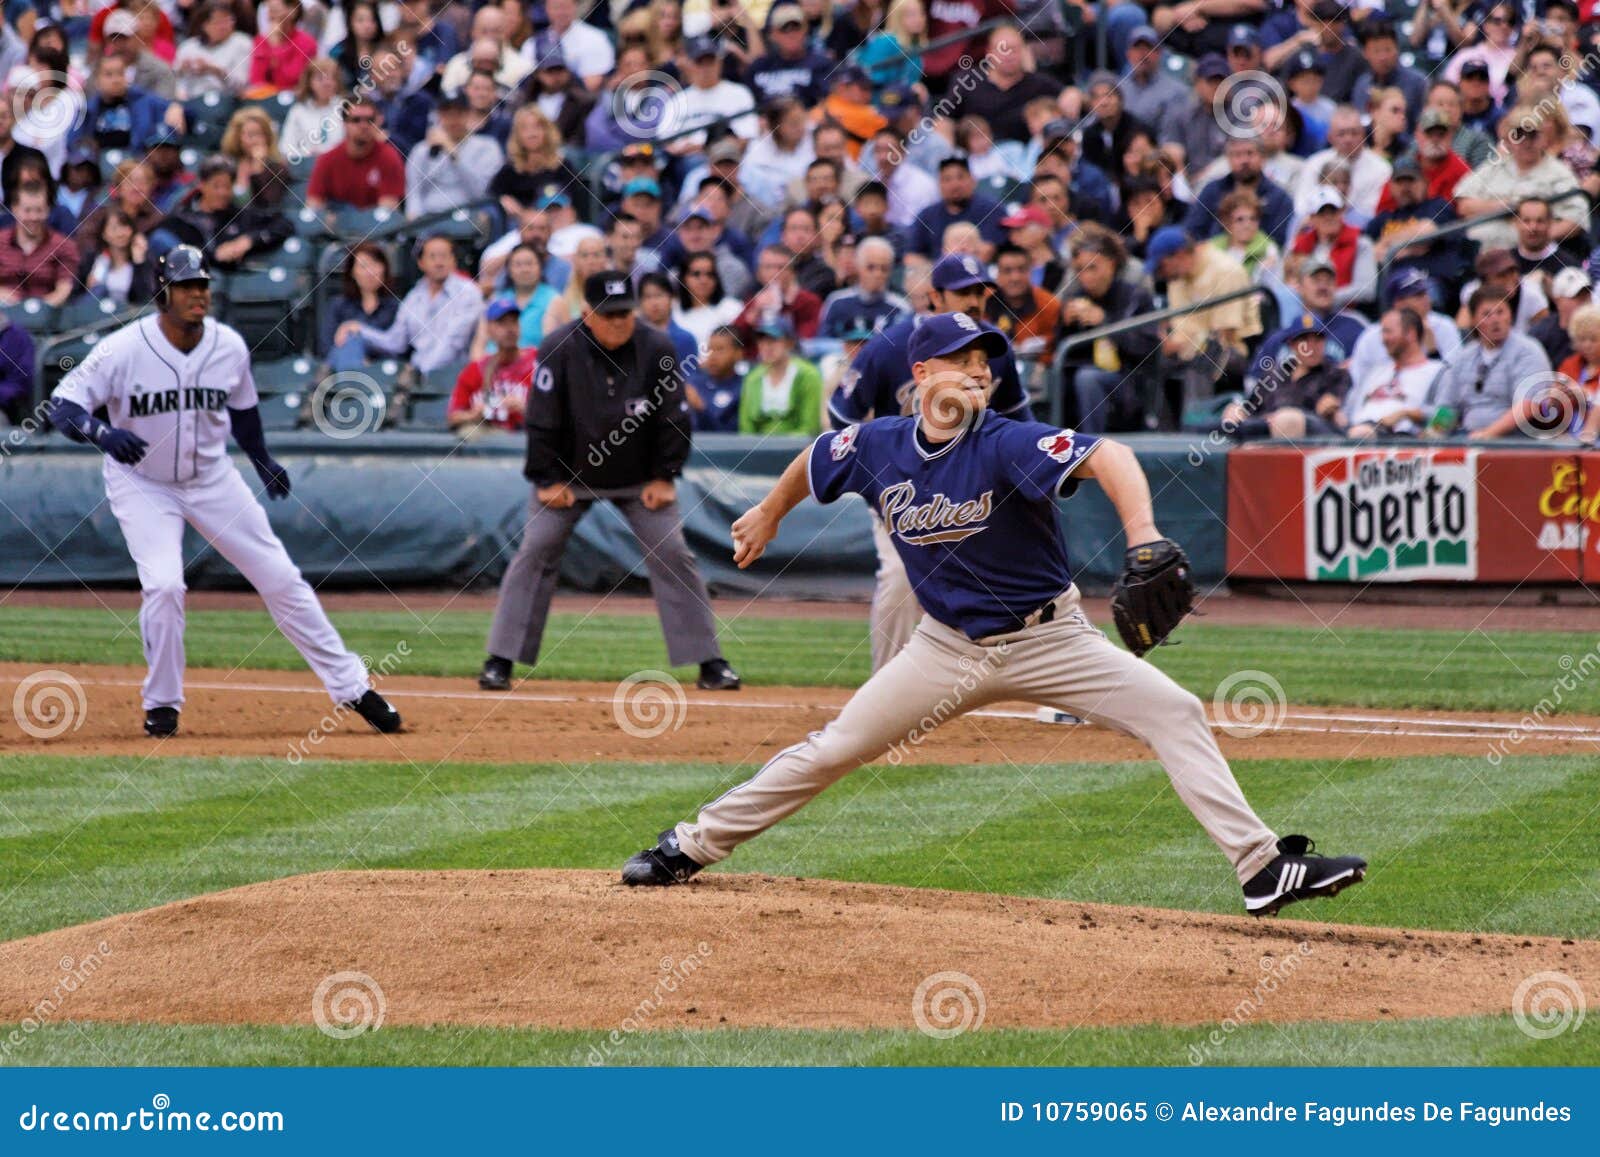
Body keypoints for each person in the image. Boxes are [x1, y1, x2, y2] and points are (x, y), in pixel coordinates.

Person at [620, 311, 1369, 920]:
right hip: (944, 650)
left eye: (986, 359)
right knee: (834, 748)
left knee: (1174, 710)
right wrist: (768, 511)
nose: (979, 369)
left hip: (1053, 641)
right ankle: (690, 844)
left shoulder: (1008, 442)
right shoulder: (878, 445)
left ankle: (1263, 868)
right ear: (920, 374)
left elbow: (1108, 456)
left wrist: (1143, 534)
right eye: (960, 357)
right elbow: (819, 456)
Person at [45, 245, 401, 740]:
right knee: (165, 586)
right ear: (163, 293)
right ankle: (163, 704)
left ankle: (353, 688)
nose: (198, 295)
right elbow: (62, 406)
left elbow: (245, 412)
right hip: (143, 483)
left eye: (203, 285)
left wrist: (262, 461)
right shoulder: (122, 348)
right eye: (188, 286)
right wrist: (103, 434)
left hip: (212, 477)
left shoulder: (228, 345)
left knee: (281, 577)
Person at [479, 270, 740, 694]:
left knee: (673, 551)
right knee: (536, 549)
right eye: (609, 315)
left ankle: (711, 662)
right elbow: (541, 419)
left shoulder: (657, 347)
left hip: (640, 479)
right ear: (587, 314)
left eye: (625, 313)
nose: (619, 322)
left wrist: (665, 476)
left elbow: (673, 418)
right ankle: (500, 660)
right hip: (567, 475)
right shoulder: (558, 347)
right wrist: (546, 479)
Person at [828, 254, 1035, 670]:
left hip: (979, 483)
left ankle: (1058, 683)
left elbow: (1019, 419)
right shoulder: (890, 346)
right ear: (935, 296)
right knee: (900, 577)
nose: (976, 301)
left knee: (1031, 569)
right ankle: (882, 689)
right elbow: (843, 415)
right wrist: (879, 473)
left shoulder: (995, 346)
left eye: (981, 291)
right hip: (906, 482)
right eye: (964, 292)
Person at [1057, 226, 1158, 433]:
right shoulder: (1074, 297)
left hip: (1129, 381)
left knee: (1087, 378)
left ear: (1111, 265)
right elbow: (1063, 354)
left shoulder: (1135, 296)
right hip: (1082, 379)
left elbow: (1146, 349)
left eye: (1093, 268)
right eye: (1080, 270)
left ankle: (1093, 448)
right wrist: (1065, 326)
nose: (1086, 277)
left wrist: (1105, 322)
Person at [331, 234, 481, 372]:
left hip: (453, 373)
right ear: (421, 263)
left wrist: (420, 373)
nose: (438, 262)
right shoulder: (414, 296)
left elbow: (453, 344)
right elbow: (396, 342)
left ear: (454, 261)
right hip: (417, 376)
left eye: (444, 256)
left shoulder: (468, 292)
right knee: (351, 343)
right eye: (432, 257)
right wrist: (360, 329)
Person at [1454, 108, 1589, 251]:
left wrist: (1537, 237)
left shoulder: (1560, 174)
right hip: (1485, 253)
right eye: (1519, 135)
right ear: (1508, 140)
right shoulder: (1494, 167)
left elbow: (1576, 221)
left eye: (1532, 135)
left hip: (1533, 255)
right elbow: (1463, 204)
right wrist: (1501, 206)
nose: (1526, 142)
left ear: (1543, 139)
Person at [1428, 290, 1552, 437]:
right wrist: (1431, 439)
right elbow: (1448, 407)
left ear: (1510, 316)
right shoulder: (1463, 357)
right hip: (1467, 436)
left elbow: (1527, 405)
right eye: (1487, 314)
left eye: (1500, 312)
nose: (1495, 320)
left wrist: (1488, 434)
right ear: (1474, 320)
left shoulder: (1528, 350)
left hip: (1516, 440)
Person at [1220, 314, 1351, 439]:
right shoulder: (1275, 373)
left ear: (1324, 342)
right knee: (1233, 411)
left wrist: (1330, 407)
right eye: (1304, 340)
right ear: (1292, 344)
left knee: (1287, 419)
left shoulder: (1334, 374)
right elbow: (1250, 408)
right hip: (1263, 428)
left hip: (1310, 434)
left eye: (1317, 340)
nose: (1311, 347)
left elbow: (1331, 407)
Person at [159, 154, 294, 269]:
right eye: (216, 186)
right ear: (201, 184)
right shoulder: (181, 219)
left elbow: (283, 224)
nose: (222, 193)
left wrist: (248, 240)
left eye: (227, 186)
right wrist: (215, 255)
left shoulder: (240, 215)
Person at [1347, 268, 1461, 388]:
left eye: (1425, 293)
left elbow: (1452, 383)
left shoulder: (1444, 326)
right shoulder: (1372, 336)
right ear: (1398, 303)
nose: (1426, 299)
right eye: (1418, 295)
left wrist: (1433, 352)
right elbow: (1358, 383)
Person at [1344, 307, 1444, 439]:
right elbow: (1351, 413)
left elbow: (1446, 416)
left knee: (1360, 433)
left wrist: (1407, 414)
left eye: (1388, 332)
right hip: (1354, 432)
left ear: (1410, 334)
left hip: (1399, 439)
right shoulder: (1376, 371)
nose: (1383, 339)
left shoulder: (1438, 371)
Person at [448, 297, 535, 434]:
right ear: (489, 329)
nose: (510, 329)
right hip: (488, 439)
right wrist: (474, 414)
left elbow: (557, 411)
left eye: (514, 322)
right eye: (502, 323)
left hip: (525, 438)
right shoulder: (475, 369)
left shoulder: (536, 362)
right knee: (469, 433)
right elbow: (453, 418)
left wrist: (526, 408)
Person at [304, 98, 406, 211]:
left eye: (370, 120)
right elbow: (313, 205)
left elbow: (387, 211)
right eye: (356, 120)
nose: (364, 125)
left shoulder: (389, 157)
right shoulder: (327, 159)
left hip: (377, 227)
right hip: (338, 226)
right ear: (344, 124)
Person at [1289, 185, 1378, 310]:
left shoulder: (1361, 243)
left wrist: (1325, 297)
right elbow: (1287, 282)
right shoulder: (1300, 245)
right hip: (1305, 312)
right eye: (1322, 213)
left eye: (1333, 211)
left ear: (1342, 212)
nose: (1328, 217)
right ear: (1312, 218)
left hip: (1345, 312)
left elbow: (1367, 290)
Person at [738, 317, 823, 435]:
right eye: (761, 340)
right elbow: (746, 428)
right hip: (757, 449)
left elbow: (810, 428)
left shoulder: (809, 375)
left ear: (790, 343)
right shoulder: (752, 378)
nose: (766, 346)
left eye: (773, 340)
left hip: (797, 449)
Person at [0, 183, 77, 307]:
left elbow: (64, 289)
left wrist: (35, 309)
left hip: (47, 316)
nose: (34, 217)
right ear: (14, 209)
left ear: (48, 210)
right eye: (27, 210)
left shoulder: (64, 245)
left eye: (39, 210)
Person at [318, 242, 399, 359]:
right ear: (352, 272)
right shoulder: (339, 305)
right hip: (344, 370)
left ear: (384, 269)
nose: (370, 273)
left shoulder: (396, 307)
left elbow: (399, 349)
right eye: (363, 266)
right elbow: (326, 348)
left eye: (375, 264)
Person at [174, 1, 253, 98]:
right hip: (193, 101)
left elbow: (242, 86)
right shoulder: (187, 47)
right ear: (204, 25)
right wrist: (181, 70)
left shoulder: (241, 42)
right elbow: (176, 82)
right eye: (218, 22)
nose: (224, 26)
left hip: (229, 101)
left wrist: (216, 71)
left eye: (228, 20)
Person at [672, 251, 745, 356]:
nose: (703, 280)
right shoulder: (672, 310)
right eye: (696, 274)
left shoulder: (732, 308)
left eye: (710, 274)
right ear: (684, 278)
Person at [279, 56, 346, 164]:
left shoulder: (345, 108)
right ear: (309, 82)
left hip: (338, 166)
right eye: (320, 78)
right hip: (306, 168)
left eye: (332, 78)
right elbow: (286, 148)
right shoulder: (298, 111)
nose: (327, 83)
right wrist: (306, 155)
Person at [687, 325, 745, 433]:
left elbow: (730, 437)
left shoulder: (743, 388)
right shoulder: (694, 383)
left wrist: (700, 408)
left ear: (738, 354)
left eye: (720, 349)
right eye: (709, 349)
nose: (713, 356)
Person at [251, 0, 318, 91]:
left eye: (276, 11)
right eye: (270, 12)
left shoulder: (306, 42)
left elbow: (290, 80)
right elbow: (256, 79)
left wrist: (275, 47)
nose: (272, 17)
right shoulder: (261, 40)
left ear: (293, 12)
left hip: (294, 97)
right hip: (265, 96)